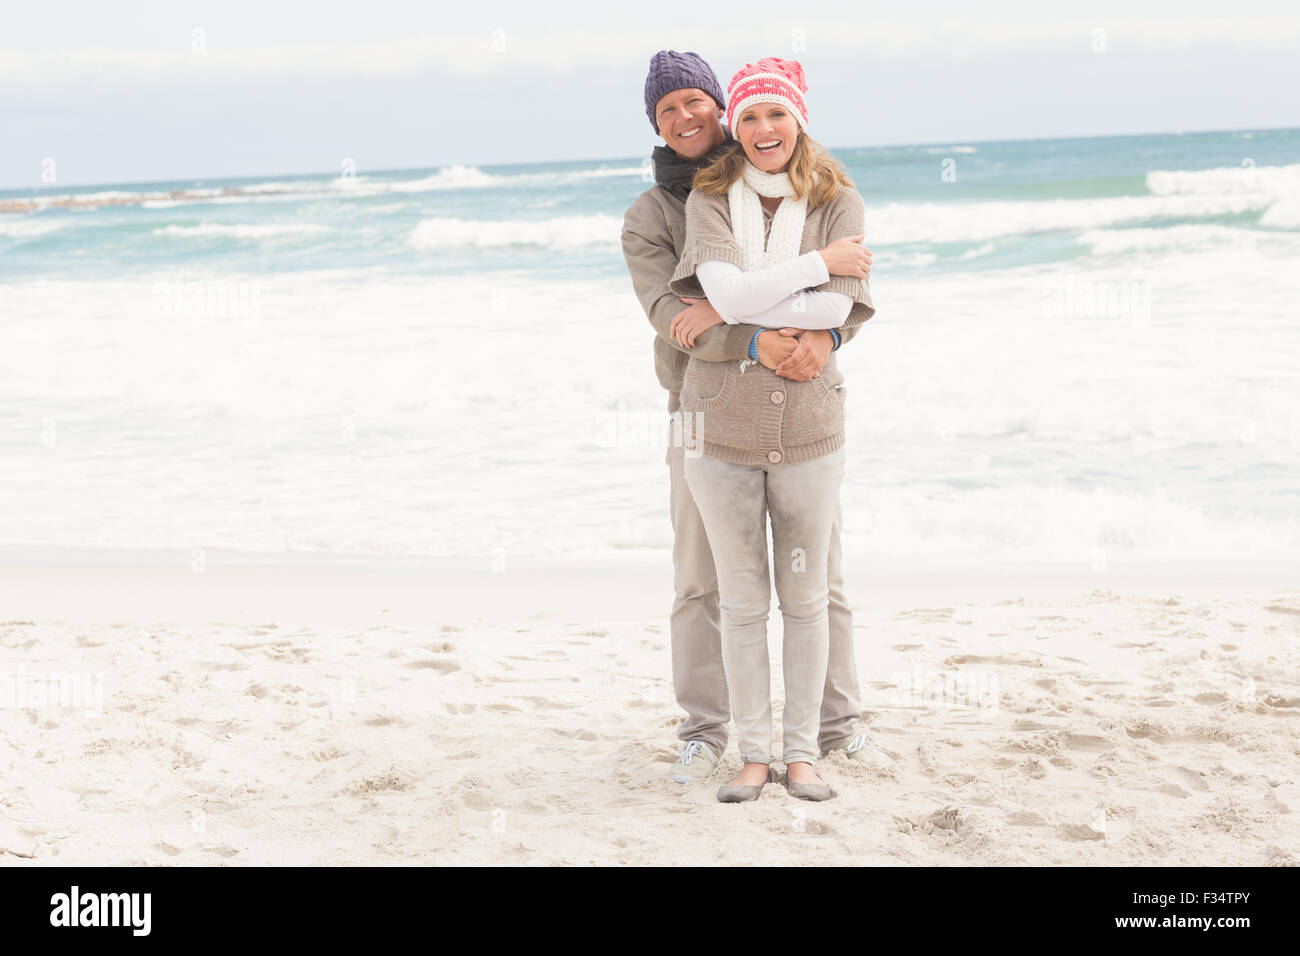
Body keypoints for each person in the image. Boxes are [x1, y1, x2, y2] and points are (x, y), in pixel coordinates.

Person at [620, 51, 894, 793]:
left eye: (695, 102)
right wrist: (750, 335)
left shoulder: (794, 183)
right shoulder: (654, 215)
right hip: (698, 411)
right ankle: (705, 733)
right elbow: (675, 317)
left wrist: (823, 336)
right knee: (701, 580)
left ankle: (836, 727)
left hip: (797, 403)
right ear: (655, 123)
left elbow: (841, 296)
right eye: (667, 109)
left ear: (720, 108)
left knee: (820, 577)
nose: (686, 118)